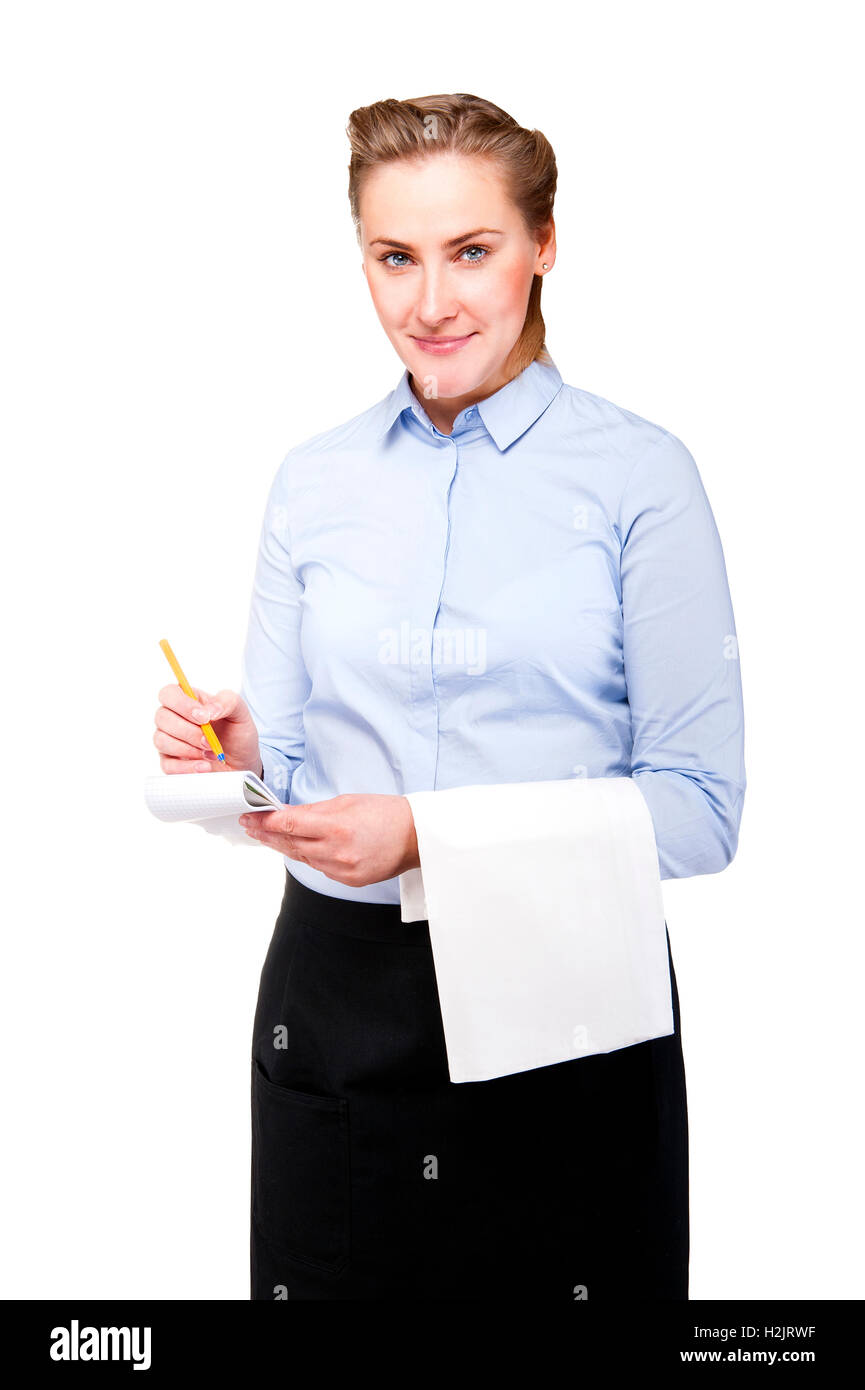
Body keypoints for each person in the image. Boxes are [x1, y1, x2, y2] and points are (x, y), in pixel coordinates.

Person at [152, 92, 746, 1301]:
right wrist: (242, 760)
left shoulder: (641, 477)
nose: (430, 304)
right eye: (394, 258)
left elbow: (699, 811)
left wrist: (427, 836)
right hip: (334, 999)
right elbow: (286, 790)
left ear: (544, 242)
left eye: (471, 251)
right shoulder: (312, 482)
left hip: (566, 1003)